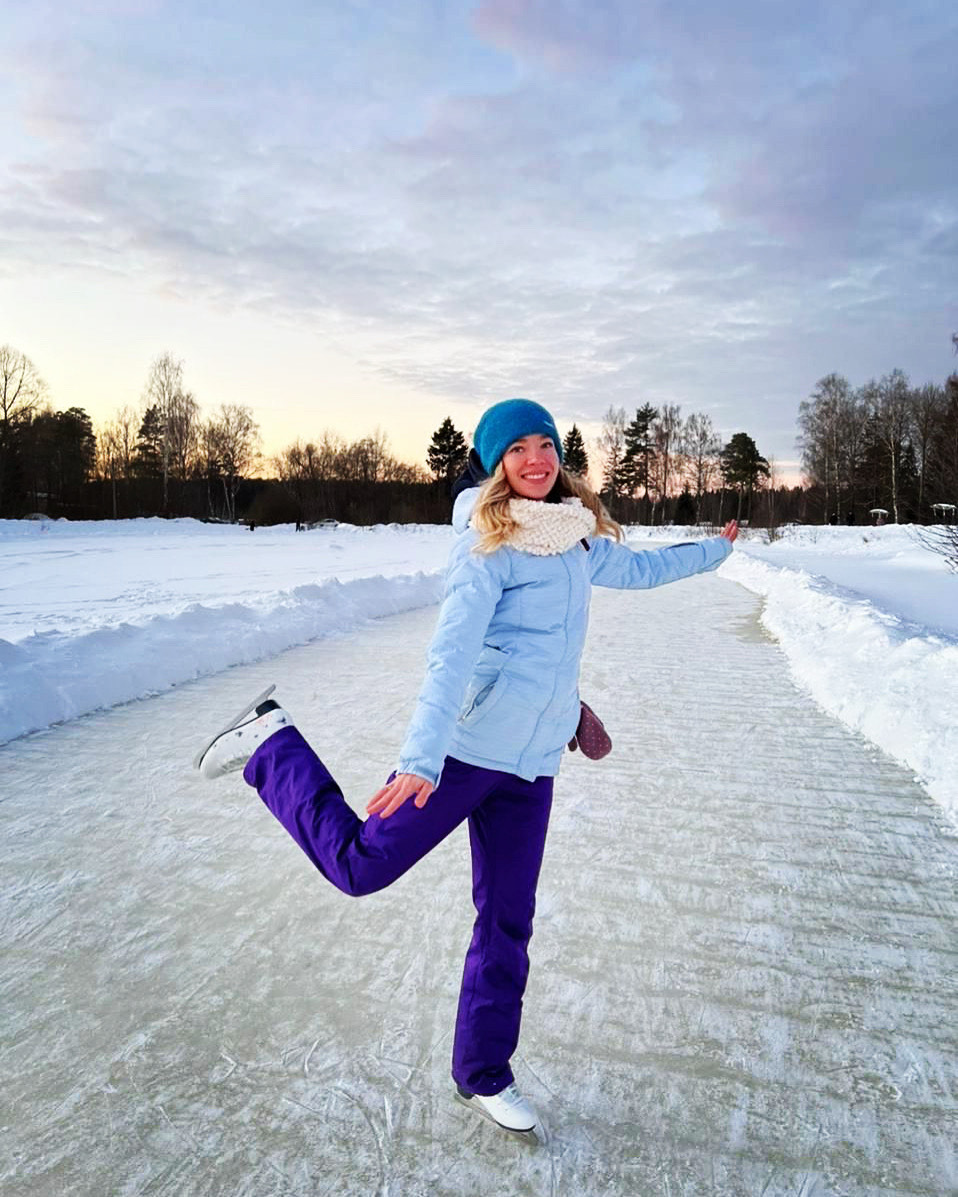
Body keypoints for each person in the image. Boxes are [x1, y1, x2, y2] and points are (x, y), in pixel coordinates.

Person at [195, 398, 737, 1136]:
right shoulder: (489, 542)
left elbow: (640, 569)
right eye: (518, 449)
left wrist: (717, 547)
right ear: (496, 465)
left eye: (546, 444)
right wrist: (420, 758)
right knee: (361, 867)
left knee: (507, 920)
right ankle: (269, 744)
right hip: (466, 751)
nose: (537, 459)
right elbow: (451, 655)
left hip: (533, 766)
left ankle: (483, 1073)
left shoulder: (576, 536)